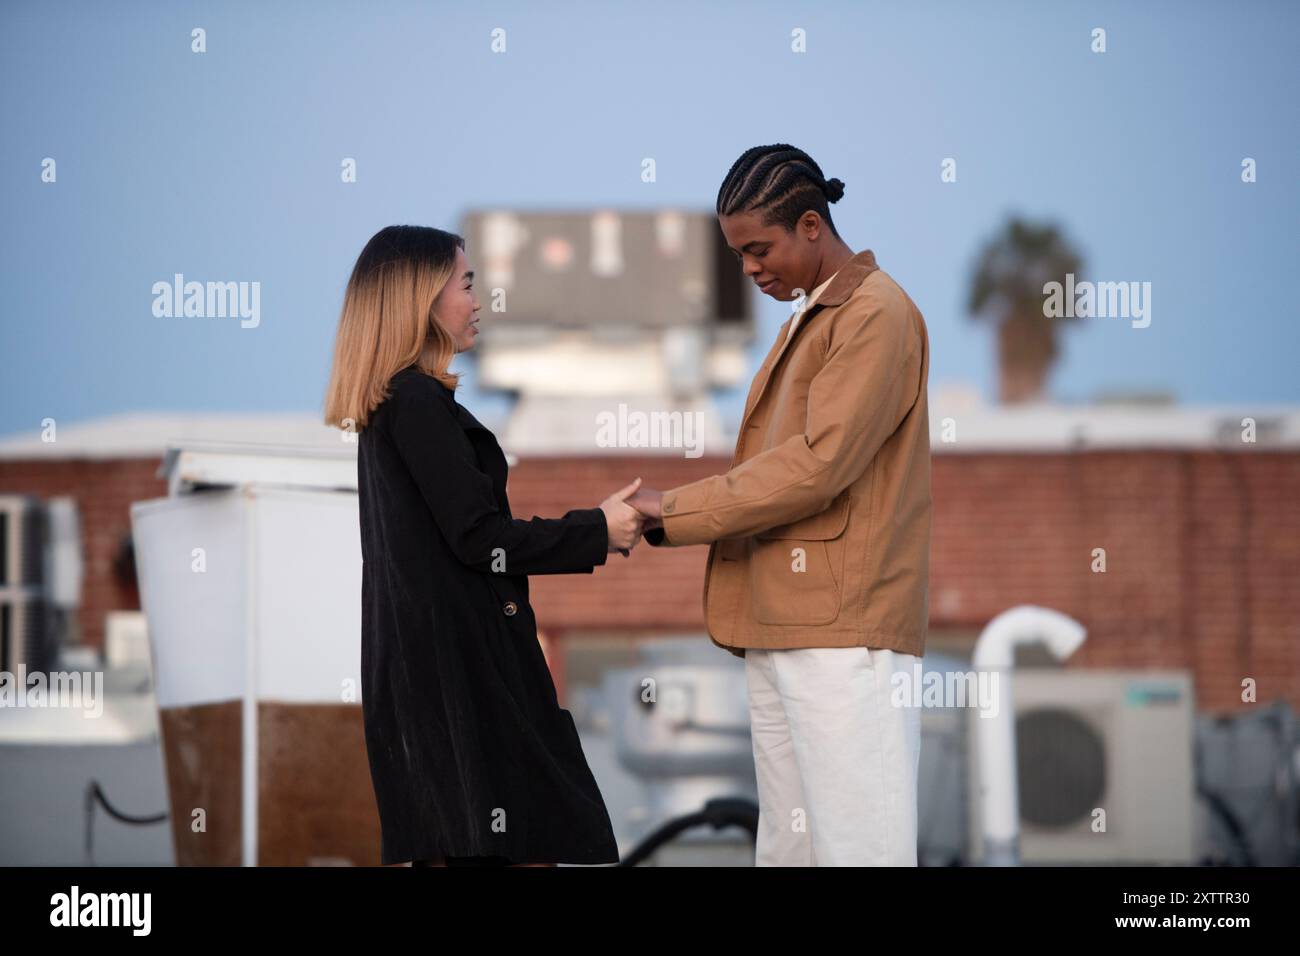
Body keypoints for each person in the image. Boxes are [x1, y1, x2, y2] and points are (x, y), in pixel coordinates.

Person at [628, 145, 932, 866]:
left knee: (861, 852)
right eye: (738, 254)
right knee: (789, 853)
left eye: (759, 249)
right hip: (787, 628)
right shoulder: (815, 316)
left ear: (811, 226)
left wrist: (670, 510)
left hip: (843, 634)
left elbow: (813, 468)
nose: (750, 268)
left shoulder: (875, 315)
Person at [323, 225, 644, 868]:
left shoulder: (396, 405)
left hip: (441, 691)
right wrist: (597, 531)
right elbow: (479, 539)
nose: (478, 301)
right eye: (466, 284)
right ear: (421, 296)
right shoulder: (413, 400)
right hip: (466, 692)